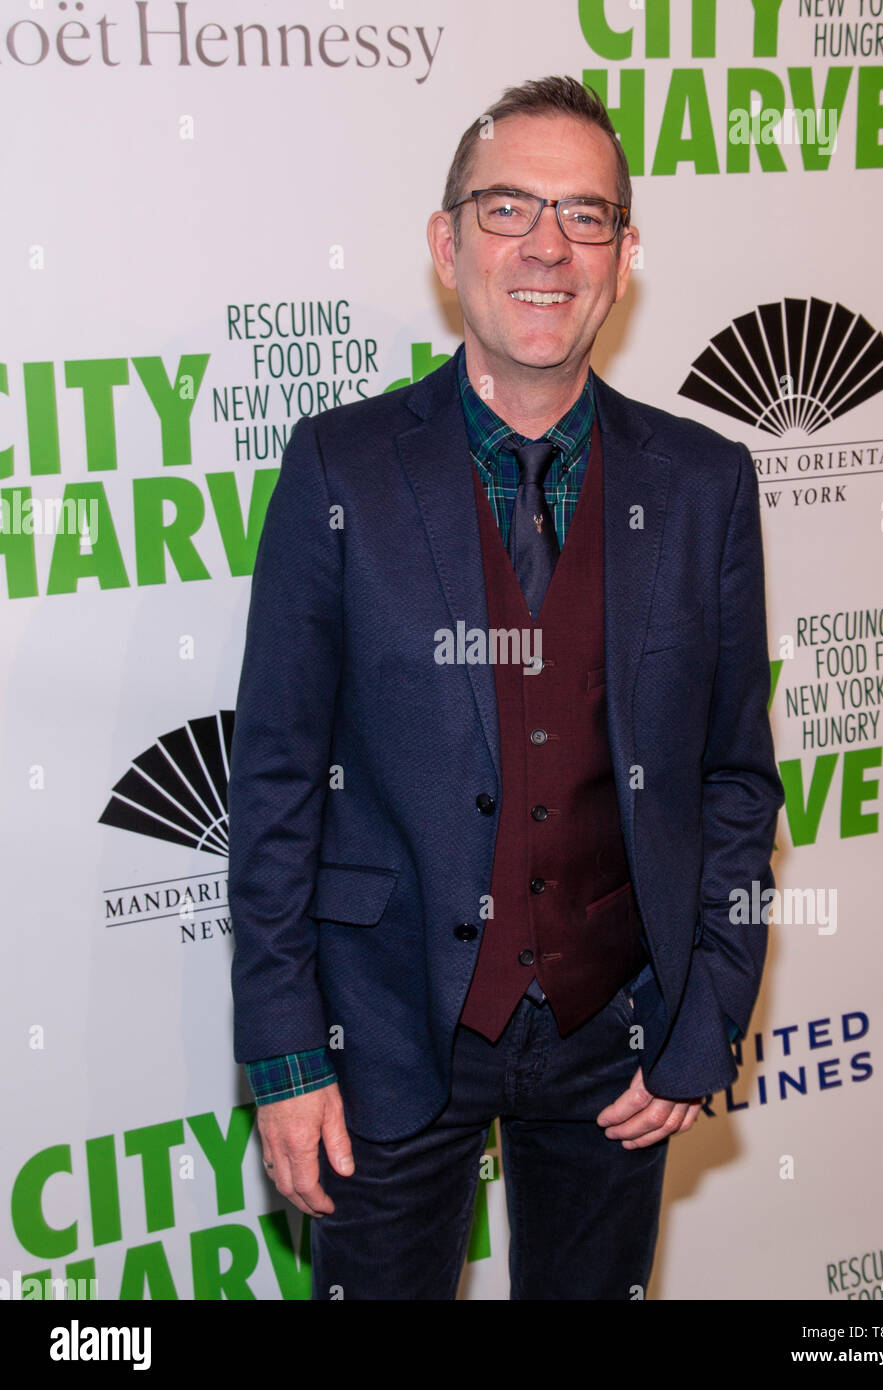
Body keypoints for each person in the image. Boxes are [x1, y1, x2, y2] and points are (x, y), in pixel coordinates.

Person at [228, 74, 783, 1301]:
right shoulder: (341, 466)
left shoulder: (703, 484)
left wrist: (707, 1015)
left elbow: (736, 779)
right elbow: (273, 779)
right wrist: (280, 1053)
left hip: (617, 1038)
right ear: (447, 243)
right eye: (507, 208)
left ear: (624, 257)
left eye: (585, 216)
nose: (547, 246)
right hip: (377, 1036)